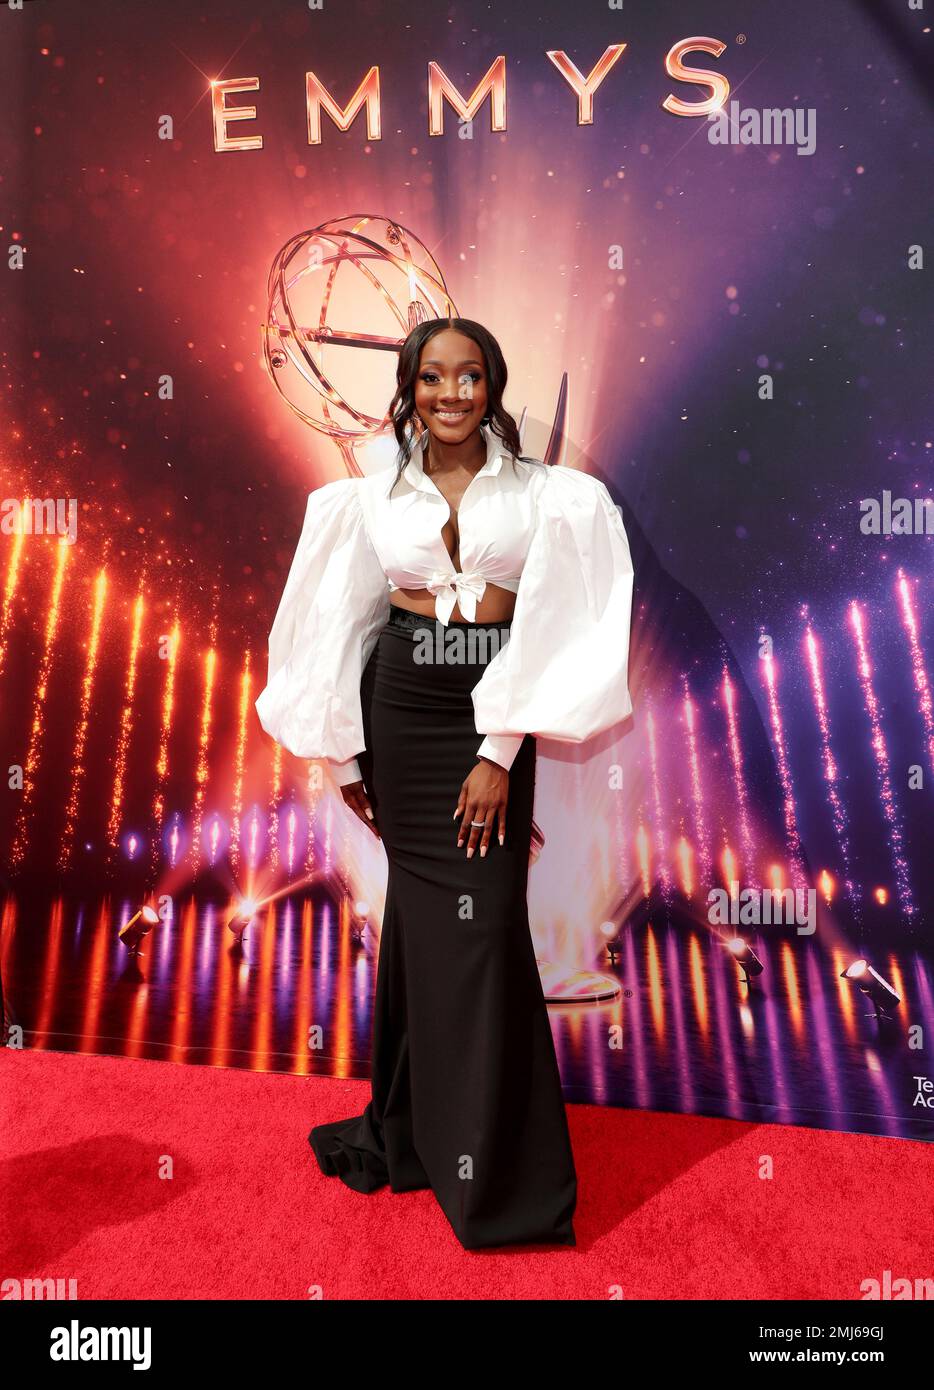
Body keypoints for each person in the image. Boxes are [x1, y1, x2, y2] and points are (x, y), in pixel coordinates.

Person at [255, 317, 635, 1250]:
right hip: (403, 711)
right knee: (427, 931)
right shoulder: (369, 493)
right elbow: (338, 623)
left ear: (493, 385)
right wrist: (345, 758)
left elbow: (551, 631)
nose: (452, 394)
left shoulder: (549, 495)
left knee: (487, 931)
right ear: (410, 387)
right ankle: (418, 1134)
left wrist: (499, 755)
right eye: (433, 378)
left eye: (470, 377)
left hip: (485, 714)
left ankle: (500, 1177)